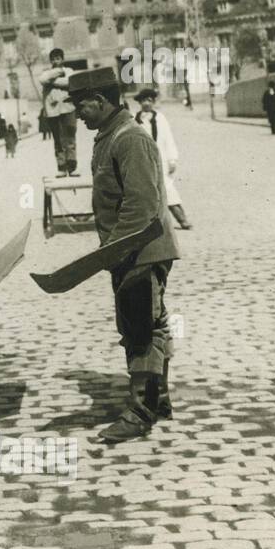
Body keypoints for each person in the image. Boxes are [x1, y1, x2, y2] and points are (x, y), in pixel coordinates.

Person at [65, 67, 181, 445]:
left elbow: (141, 205)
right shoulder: (110, 135)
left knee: (139, 329)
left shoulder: (129, 139)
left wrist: (114, 251)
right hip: (132, 248)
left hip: (140, 250)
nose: (77, 114)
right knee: (152, 320)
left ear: (100, 101)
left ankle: (140, 411)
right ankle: (158, 398)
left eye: (81, 106)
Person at [133, 88, 193, 230]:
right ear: (140, 103)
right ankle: (146, 223)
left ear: (153, 102)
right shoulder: (135, 119)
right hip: (142, 160)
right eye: (143, 101)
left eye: (149, 100)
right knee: (144, 190)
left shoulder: (160, 118)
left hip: (160, 160)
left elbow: (168, 139)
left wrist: (172, 159)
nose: (146, 104)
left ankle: (182, 219)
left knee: (167, 188)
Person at [40, 48, 79, 175]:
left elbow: (70, 82)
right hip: (53, 110)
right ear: (50, 60)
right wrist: (59, 72)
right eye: (53, 59)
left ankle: (72, 167)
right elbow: (43, 80)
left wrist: (52, 83)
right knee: (58, 139)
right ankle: (61, 167)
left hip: (68, 108)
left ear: (62, 59)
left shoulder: (69, 71)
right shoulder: (46, 72)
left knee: (70, 137)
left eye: (58, 58)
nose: (56, 61)